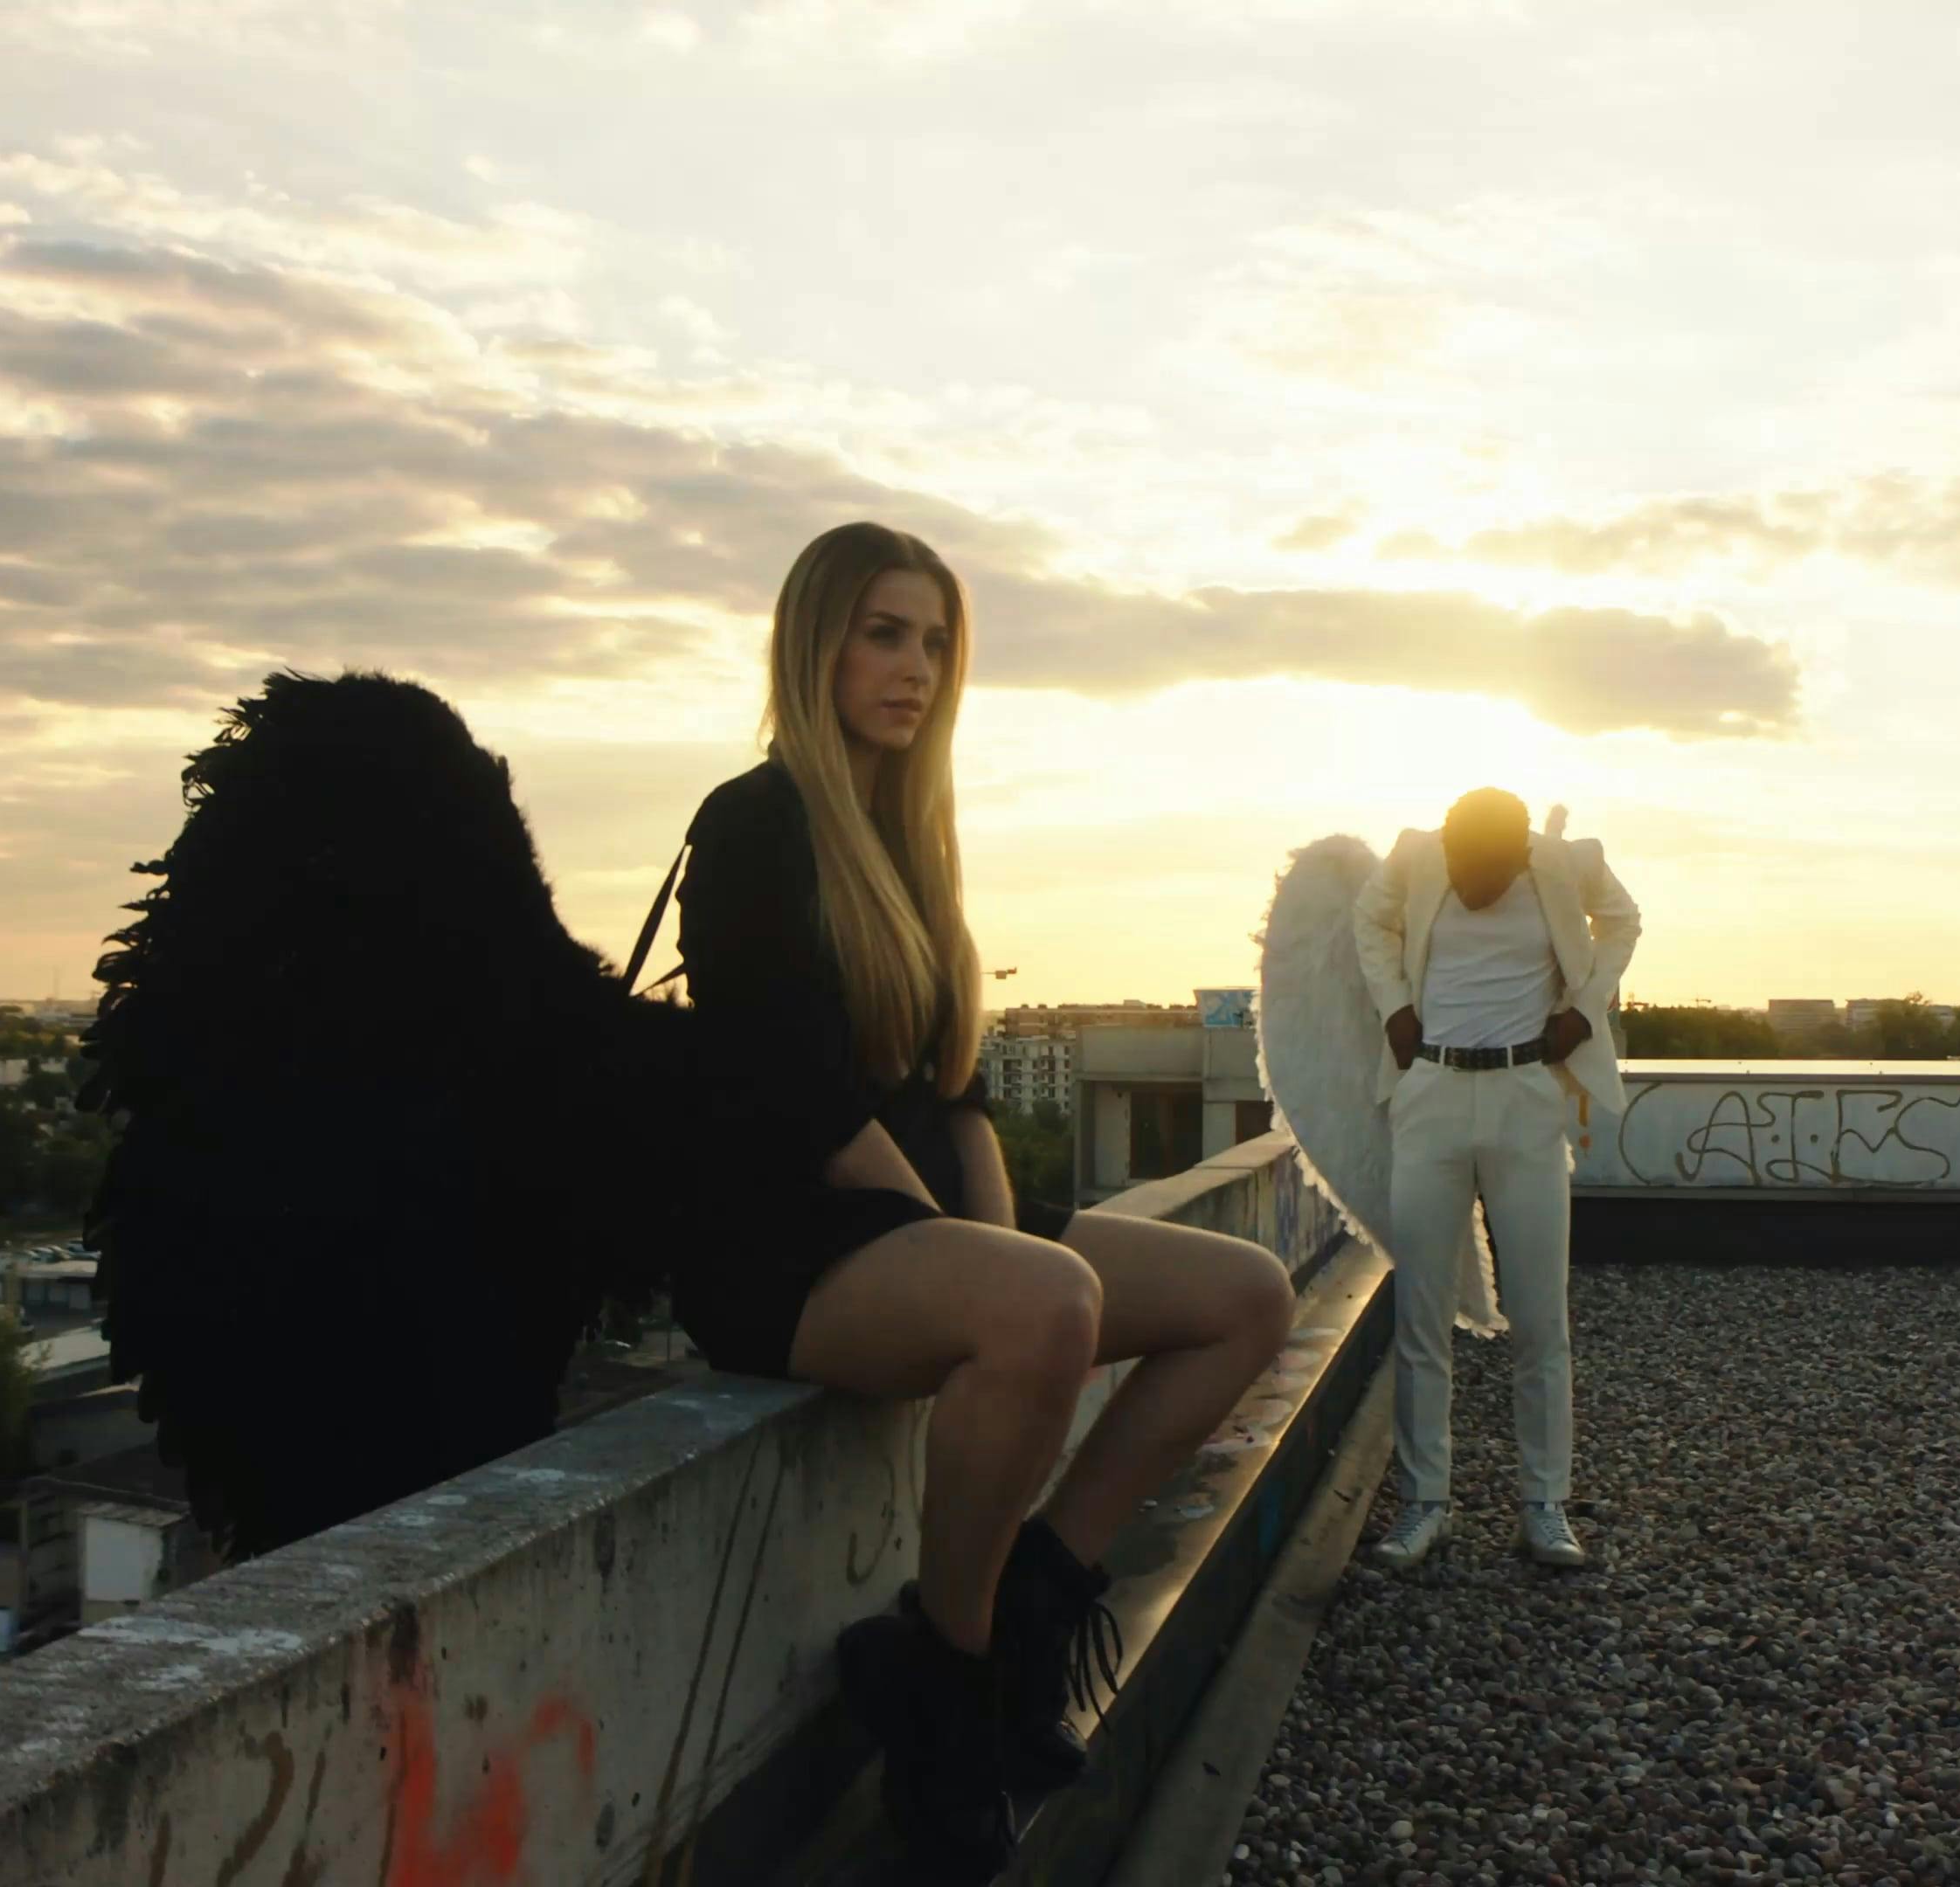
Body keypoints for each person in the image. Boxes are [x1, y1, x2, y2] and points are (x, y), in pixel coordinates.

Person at [664, 522, 1296, 1875]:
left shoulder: (911, 844)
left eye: (938, 642)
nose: (917, 668)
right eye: (885, 634)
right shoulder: (753, 823)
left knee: (1247, 1297)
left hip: (917, 1226)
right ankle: (945, 1686)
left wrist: (999, 1244)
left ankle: (1025, 1608)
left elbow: (953, 1092)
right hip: (788, 1243)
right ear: (815, 641)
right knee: (1043, 1297)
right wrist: (985, 1264)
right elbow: (808, 1104)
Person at [1351, 788, 1639, 1572]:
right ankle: (1425, 1505)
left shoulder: (1567, 864)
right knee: (1420, 1316)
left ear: (1523, 854)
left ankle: (1543, 1508)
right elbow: (1367, 922)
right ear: (1447, 843)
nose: (1477, 882)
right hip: (1432, 1096)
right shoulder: (1416, 856)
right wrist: (1393, 1009)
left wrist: (1584, 1006)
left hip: (1525, 1099)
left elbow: (1625, 921)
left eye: (1495, 867)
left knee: (1542, 1320)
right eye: (1465, 864)